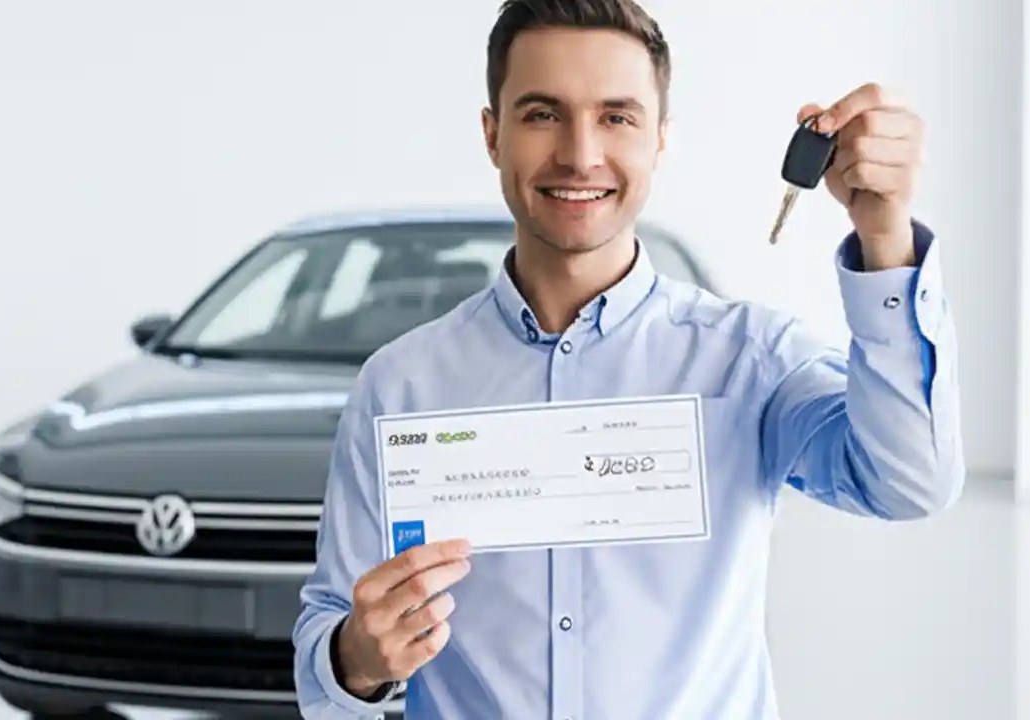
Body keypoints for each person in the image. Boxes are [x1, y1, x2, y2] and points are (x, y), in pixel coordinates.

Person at [292, 0, 963, 717]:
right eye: (543, 114)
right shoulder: (399, 385)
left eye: (616, 117)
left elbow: (908, 483)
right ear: (492, 134)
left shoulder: (753, 363)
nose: (580, 155)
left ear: (659, 138)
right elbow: (325, 650)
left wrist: (884, 235)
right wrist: (356, 658)